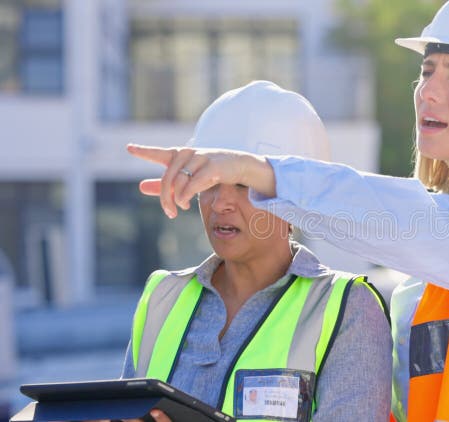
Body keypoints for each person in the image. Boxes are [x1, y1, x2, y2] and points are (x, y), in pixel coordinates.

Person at [128, 0, 449, 420]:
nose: (428, 91)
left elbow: (400, 218)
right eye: (428, 70)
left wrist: (260, 171)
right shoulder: (430, 280)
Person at [121, 81, 392, 422]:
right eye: (210, 183)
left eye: (243, 184)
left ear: (295, 196)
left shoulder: (349, 309)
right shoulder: (161, 297)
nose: (220, 203)